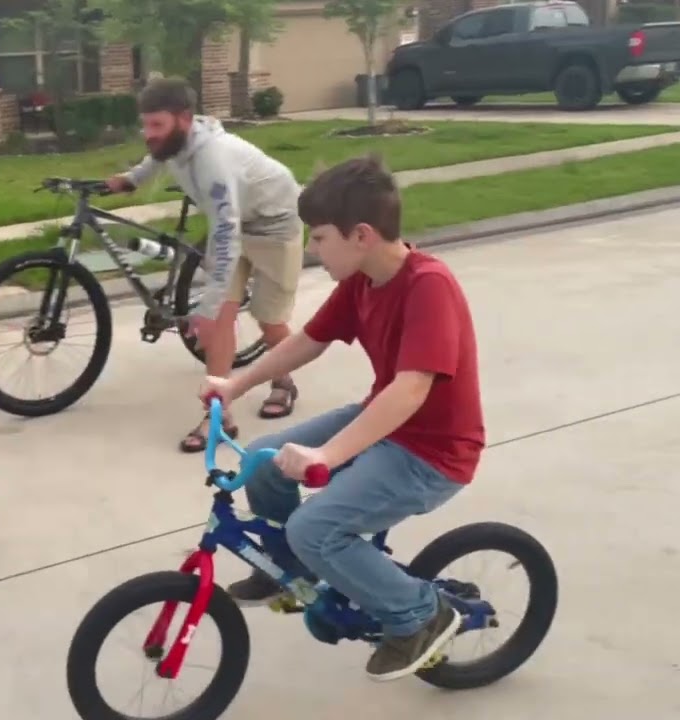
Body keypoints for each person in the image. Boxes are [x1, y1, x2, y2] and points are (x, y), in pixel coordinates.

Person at [200, 155, 485, 682]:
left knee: (315, 528)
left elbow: (411, 388)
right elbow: (309, 340)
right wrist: (235, 384)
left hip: (433, 452)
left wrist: (328, 456)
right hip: (383, 422)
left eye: (320, 237)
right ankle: (294, 569)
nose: (312, 248)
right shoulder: (363, 280)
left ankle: (421, 615)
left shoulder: (429, 286)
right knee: (264, 464)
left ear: (361, 236)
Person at [105, 76, 305, 453]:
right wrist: (130, 180)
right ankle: (219, 416)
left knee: (269, 321)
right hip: (234, 226)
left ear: (184, 118)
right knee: (218, 321)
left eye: (157, 125)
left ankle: (284, 381)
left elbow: (226, 233)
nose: (149, 134)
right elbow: (156, 156)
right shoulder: (177, 142)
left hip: (275, 225)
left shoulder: (213, 157)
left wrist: (209, 307)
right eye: (145, 125)